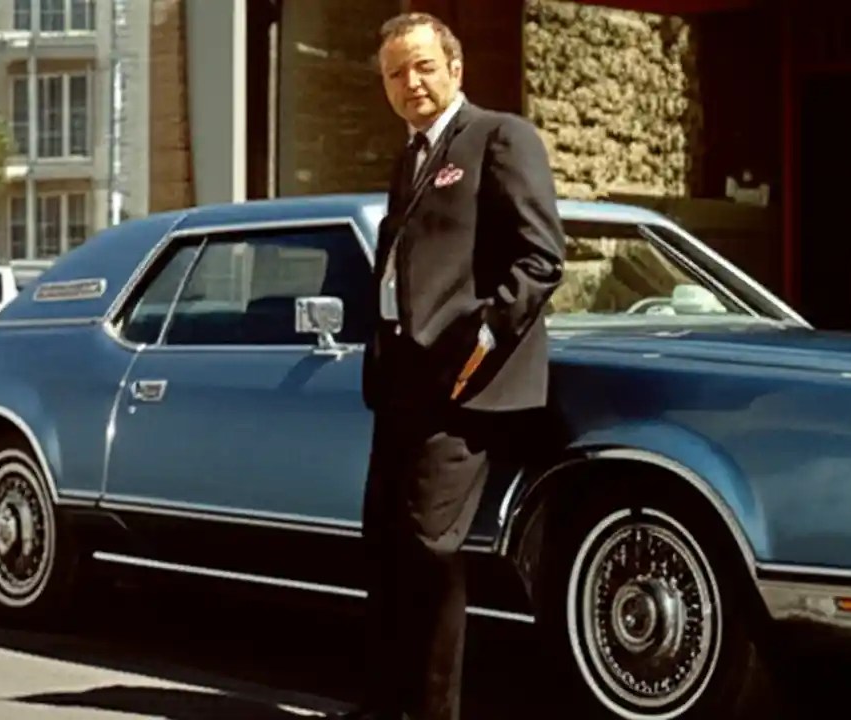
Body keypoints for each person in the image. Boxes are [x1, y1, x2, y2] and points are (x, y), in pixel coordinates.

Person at [346, 11, 565, 720]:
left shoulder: (500, 137)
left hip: (464, 384)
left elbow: (541, 256)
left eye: (421, 67)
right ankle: (381, 704)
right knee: (383, 545)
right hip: (401, 384)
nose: (409, 83)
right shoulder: (410, 156)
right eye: (393, 74)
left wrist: (488, 335)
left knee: (431, 550)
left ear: (455, 69)